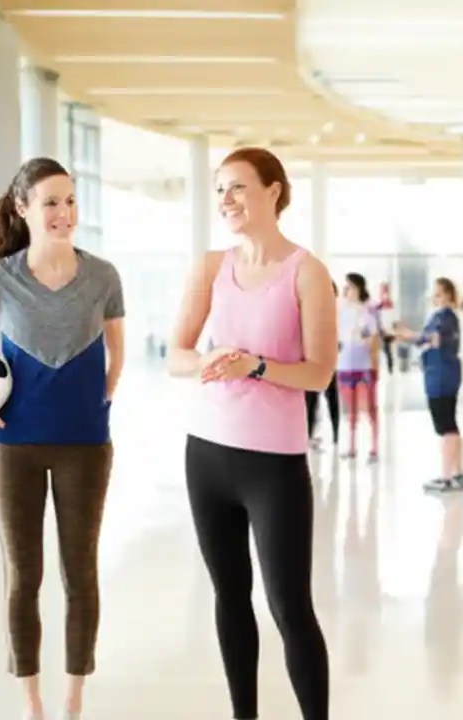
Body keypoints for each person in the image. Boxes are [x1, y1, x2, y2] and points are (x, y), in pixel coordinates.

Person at [0, 158, 124, 720]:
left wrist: (105, 392)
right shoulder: (2, 277)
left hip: (87, 446)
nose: (63, 213)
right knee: (24, 577)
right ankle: (31, 703)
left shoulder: (104, 275)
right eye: (50, 203)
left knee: (79, 573)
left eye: (70, 200)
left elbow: (117, 348)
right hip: (15, 447)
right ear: (23, 209)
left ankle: (73, 701)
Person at [167, 147, 336, 720]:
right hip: (207, 456)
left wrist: (256, 366)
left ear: (273, 191)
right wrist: (208, 359)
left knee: (290, 607)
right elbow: (176, 354)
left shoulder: (307, 272)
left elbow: (320, 372)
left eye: (238, 187)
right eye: (219, 190)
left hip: (274, 465)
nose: (227, 200)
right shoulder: (211, 267)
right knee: (230, 598)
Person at [394, 277, 463, 492]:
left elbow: (432, 339)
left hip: (441, 377)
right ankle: (458, 473)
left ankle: (446, 478)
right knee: (451, 425)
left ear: (446, 295)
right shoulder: (447, 317)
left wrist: (407, 335)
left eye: (438, 294)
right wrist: (411, 335)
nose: (434, 298)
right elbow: (430, 338)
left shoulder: (444, 317)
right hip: (445, 375)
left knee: (446, 428)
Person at [337, 272, 381, 462]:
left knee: (369, 407)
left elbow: (373, 340)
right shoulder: (341, 312)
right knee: (350, 409)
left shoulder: (368, 313)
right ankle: (352, 446)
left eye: (350, 286)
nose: (346, 290)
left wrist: (373, 364)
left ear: (358, 289)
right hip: (345, 365)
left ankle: (374, 447)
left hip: (364, 367)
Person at [306, 282, 341, 451]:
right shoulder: (313, 311)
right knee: (311, 401)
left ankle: (336, 436)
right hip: (312, 362)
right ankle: (309, 436)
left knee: (331, 398)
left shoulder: (334, 313)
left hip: (327, 362)